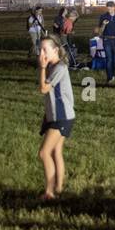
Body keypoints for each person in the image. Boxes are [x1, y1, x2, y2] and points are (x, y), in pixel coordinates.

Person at [38, 35, 74, 200]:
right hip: (56, 116)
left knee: (44, 153)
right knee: (55, 152)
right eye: (40, 49)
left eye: (44, 49)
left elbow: (44, 89)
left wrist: (42, 68)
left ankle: (50, 192)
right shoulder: (54, 66)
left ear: (55, 50)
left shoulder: (60, 67)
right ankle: (59, 188)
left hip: (62, 117)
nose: (41, 53)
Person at [95, 1, 115, 83]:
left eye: (111, 7)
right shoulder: (103, 16)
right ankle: (109, 77)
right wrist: (103, 24)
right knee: (109, 59)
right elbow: (100, 31)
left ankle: (113, 74)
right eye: (108, 7)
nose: (109, 8)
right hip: (107, 40)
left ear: (114, 7)